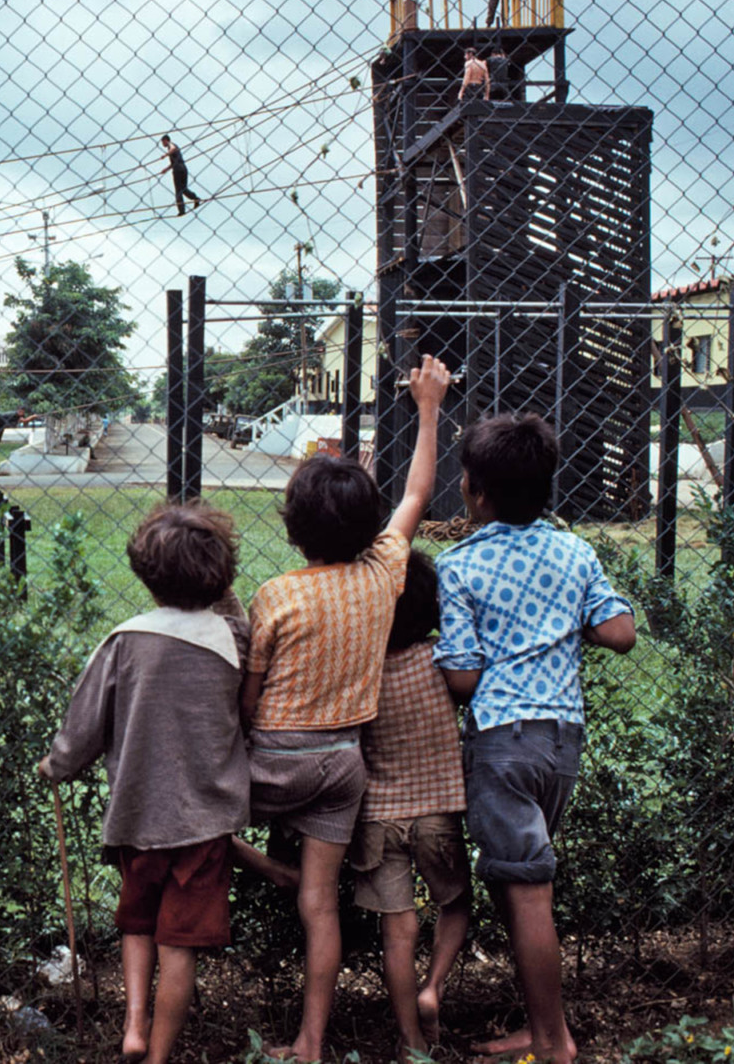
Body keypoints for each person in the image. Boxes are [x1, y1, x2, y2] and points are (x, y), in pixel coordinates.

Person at [239, 354, 451, 1063]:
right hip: (342, 767)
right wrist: (428, 408)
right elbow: (419, 490)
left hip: (273, 760)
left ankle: (230, 849)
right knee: (321, 904)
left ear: (294, 531)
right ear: (368, 526)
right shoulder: (384, 569)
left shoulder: (275, 595)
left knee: (187, 816)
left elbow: (249, 693)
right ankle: (310, 1043)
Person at [434, 413, 637, 1064]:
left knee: (526, 894)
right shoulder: (574, 552)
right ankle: (540, 1026)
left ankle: (553, 1040)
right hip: (561, 741)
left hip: (502, 740)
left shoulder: (459, 566)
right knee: (518, 883)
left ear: (473, 488)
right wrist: (559, 625)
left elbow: (463, 678)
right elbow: (620, 632)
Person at [38, 501, 252, 1064]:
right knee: (178, 945)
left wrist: (57, 765)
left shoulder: (124, 641)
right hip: (204, 825)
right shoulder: (234, 640)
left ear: (142, 572)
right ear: (221, 575)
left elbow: (82, 727)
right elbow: (235, 624)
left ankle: (133, 1024)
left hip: (138, 816)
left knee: (137, 922)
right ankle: (157, 1055)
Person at [351, 549, 471, 1060]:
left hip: (380, 818)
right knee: (457, 904)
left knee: (396, 932)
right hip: (437, 815)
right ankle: (433, 987)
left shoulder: (362, 672)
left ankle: (410, 1040)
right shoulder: (443, 661)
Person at [158, 135, 203, 216]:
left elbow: (172, 148)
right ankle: (195, 198)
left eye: (163, 141)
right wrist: (166, 169)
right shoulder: (173, 150)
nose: (162, 143)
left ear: (166, 140)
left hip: (177, 170)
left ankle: (181, 210)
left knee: (178, 191)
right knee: (184, 189)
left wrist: (165, 155)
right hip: (183, 168)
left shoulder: (171, 145)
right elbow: (173, 163)